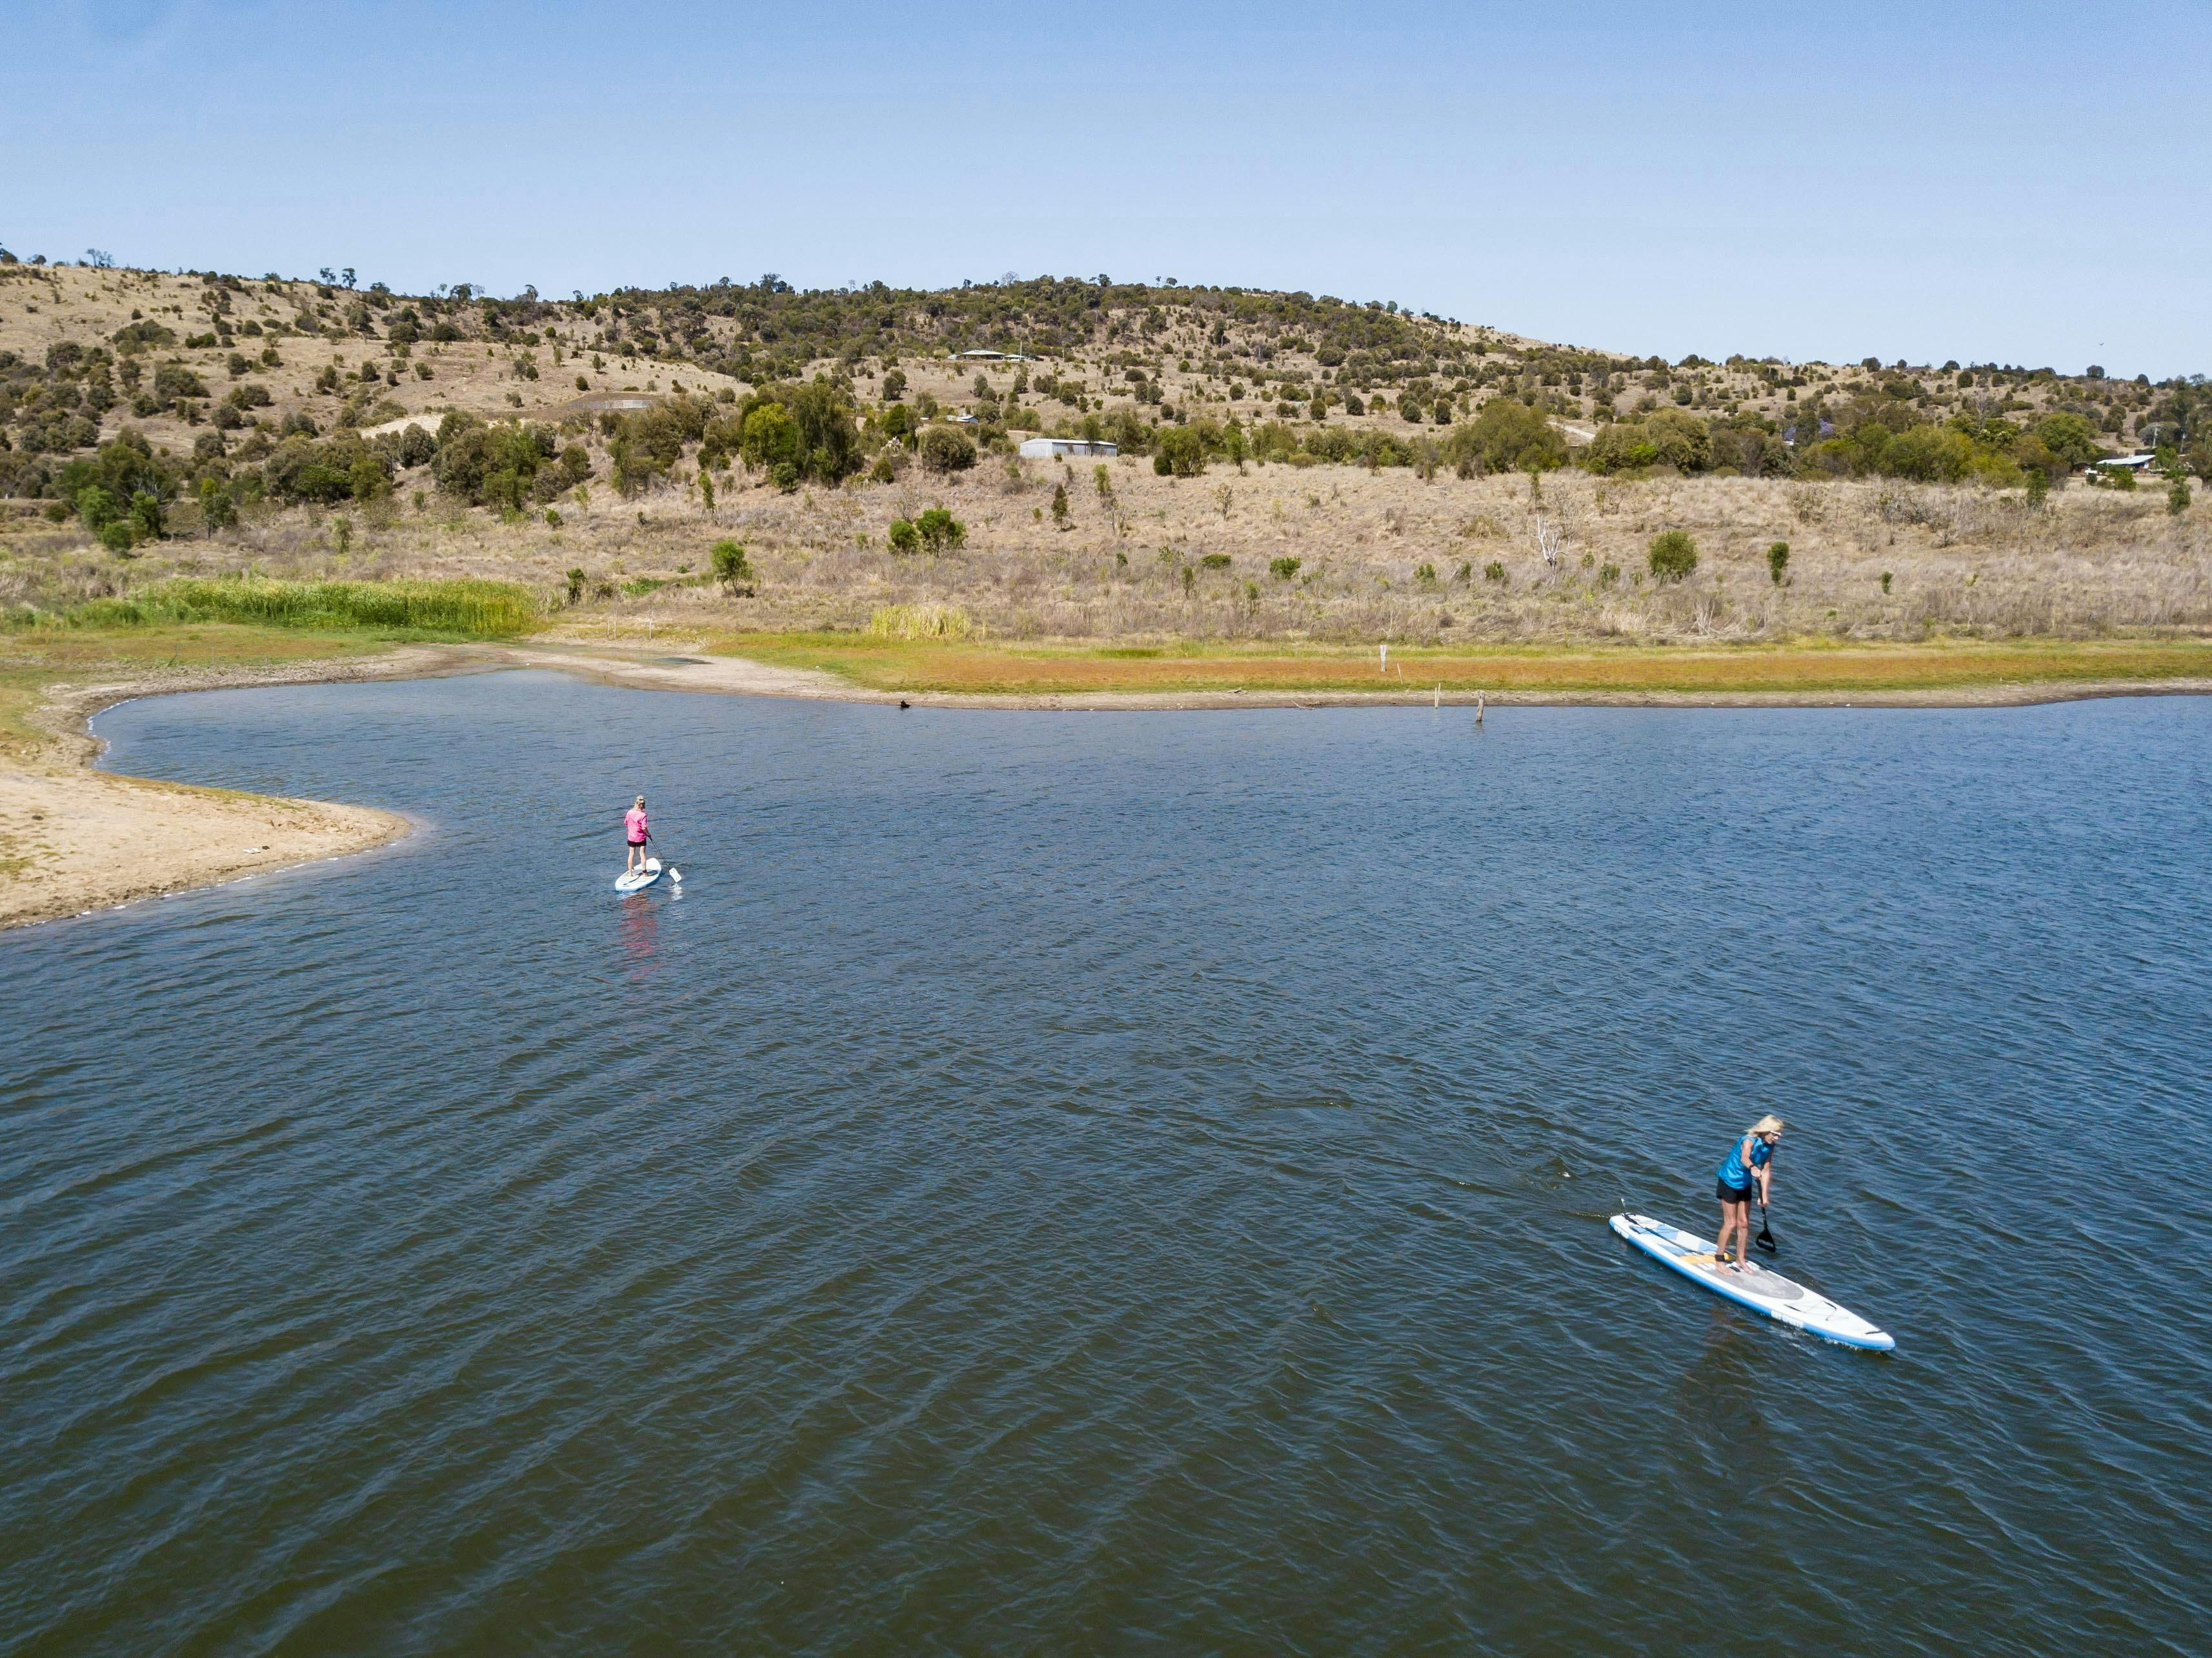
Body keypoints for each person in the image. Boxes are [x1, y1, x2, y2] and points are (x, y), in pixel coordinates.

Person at [1714, 1115, 1784, 1271]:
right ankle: (1719, 1260)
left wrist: (1764, 1195)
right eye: (1775, 1134)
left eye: (1780, 1135)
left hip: (1745, 1184)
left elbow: (1766, 1170)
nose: (1777, 1138)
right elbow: (1745, 1157)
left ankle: (1740, 1259)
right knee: (1730, 1223)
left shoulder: (1770, 1146)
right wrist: (1753, 1168)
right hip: (1729, 1181)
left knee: (1744, 1224)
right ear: (1766, 1130)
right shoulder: (1749, 1140)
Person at [623, 794, 651, 877]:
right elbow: (644, 827)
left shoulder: (629, 812)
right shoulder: (643, 815)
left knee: (631, 854)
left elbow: (626, 823)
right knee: (642, 854)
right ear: (643, 805)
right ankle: (645, 873)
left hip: (631, 837)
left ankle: (630, 873)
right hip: (641, 838)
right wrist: (648, 834)